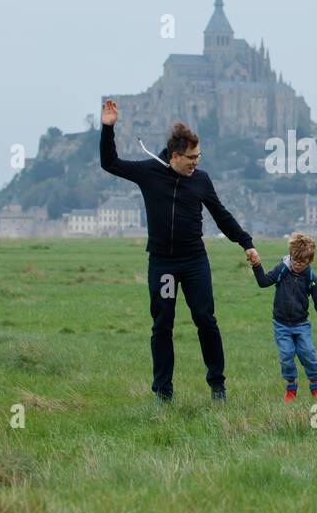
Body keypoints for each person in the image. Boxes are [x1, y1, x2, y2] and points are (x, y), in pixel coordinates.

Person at [99, 98, 259, 401]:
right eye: (191, 157)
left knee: (205, 319)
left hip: (194, 262)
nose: (196, 162)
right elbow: (110, 163)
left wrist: (245, 242)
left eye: (198, 156)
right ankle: (163, 392)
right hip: (163, 265)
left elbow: (221, 214)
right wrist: (108, 129)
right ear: (175, 155)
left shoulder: (201, 180)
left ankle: (217, 385)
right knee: (162, 325)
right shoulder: (148, 172)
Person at [251, 233, 317, 401]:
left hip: (301, 324)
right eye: (295, 261)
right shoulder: (282, 269)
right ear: (291, 256)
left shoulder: (310, 276)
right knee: (286, 356)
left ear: (309, 261)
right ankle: (291, 386)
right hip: (281, 325)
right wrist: (257, 266)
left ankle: (315, 385)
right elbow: (263, 282)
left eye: (302, 262)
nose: (297, 265)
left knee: (308, 352)